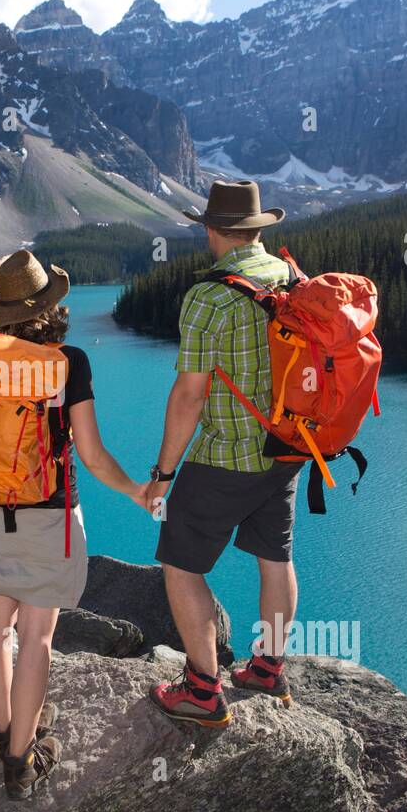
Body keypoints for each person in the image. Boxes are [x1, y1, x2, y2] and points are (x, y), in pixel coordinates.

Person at [0, 249, 143, 799]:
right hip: (50, 514)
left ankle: (4, 732)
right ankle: (21, 758)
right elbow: (90, 454)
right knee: (37, 637)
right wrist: (136, 489)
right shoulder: (69, 363)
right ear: (49, 306)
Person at [141, 180, 302, 726]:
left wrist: (163, 473)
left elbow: (189, 394)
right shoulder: (290, 276)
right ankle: (269, 669)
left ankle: (203, 691)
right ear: (257, 229)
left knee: (180, 565)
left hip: (225, 457)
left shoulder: (208, 297)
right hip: (286, 449)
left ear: (210, 229)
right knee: (275, 558)